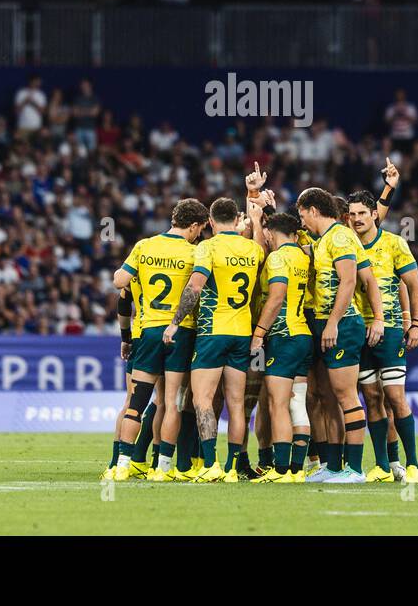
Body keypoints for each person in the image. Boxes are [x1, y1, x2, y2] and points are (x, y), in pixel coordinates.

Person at [162, 197, 264, 482]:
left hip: (212, 332)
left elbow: (195, 287)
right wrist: (254, 220)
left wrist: (175, 323)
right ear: (235, 219)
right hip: (242, 333)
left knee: (203, 401)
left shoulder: (207, 247)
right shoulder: (253, 249)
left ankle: (210, 464)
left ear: (210, 221)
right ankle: (232, 468)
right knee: (235, 403)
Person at [110, 198, 209, 482]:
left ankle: (122, 466)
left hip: (148, 330)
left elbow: (119, 281)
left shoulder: (145, 246)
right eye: (199, 229)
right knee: (171, 402)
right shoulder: (195, 252)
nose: (199, 234)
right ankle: (163, 468)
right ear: (192, 226)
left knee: (136, 402)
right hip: (181, 331)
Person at [297, 187, 384, 483]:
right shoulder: (324, 240)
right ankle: (333, 466)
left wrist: (333, 322)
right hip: (325, 323)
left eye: (302, 215)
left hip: (343, 324)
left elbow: (348, 282)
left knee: (347, 396)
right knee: (329, 397)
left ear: (312, 210)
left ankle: (356, 469)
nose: (302, 221)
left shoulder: (341, 237)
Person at [346, 190, 418, 483]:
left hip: (390, 330)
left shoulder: (395, 243)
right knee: (371, 398)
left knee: (395, 397)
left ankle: (413, 464)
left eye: (362, 214)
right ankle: (381, 465)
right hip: (358, 332)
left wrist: (415, 323)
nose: (356, 219)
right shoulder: (346, 245)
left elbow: (415, 287)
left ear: (374, 214)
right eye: (352, 214)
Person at [249, 210, 312, 483]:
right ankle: (297, 470)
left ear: (269, 233)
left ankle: (282, 470)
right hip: (303, 334)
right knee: (297, 403)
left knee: (277, 403)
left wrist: (259, 333)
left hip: (283, 336)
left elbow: (276, 297)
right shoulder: (302, 255)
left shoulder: (277, 258)